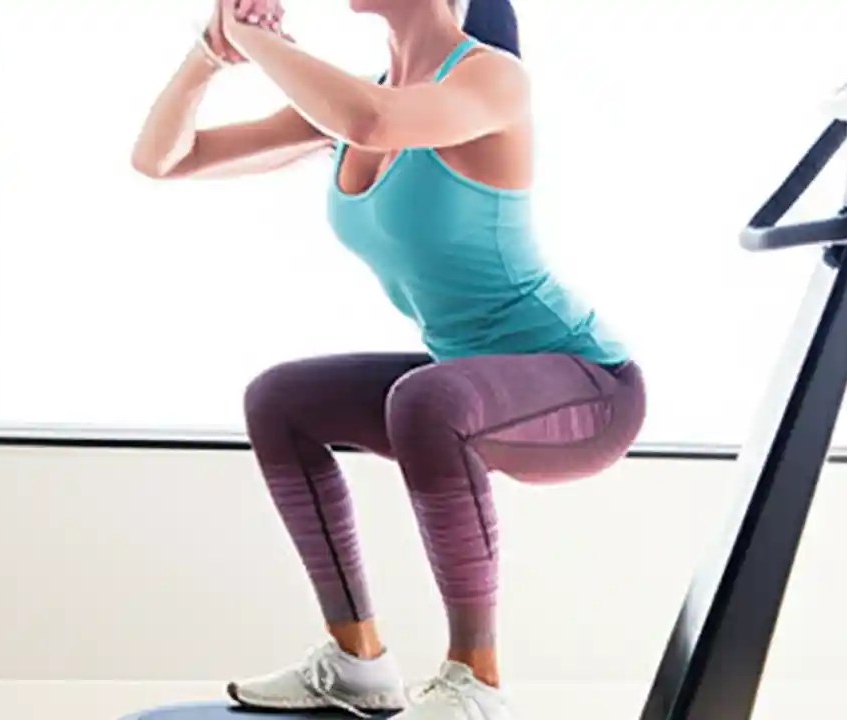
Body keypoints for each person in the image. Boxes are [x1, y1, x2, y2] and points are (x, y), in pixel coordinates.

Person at [131, 0, 646, 717]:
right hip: (464, 386)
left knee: (427, 398)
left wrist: (255, 34)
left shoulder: (492, 82)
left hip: (589, 389)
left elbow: (371, 121)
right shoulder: (350, 103)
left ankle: (477, 680)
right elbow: (164, 158)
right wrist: (212, 52)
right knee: (279, 400)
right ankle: (356, 660)